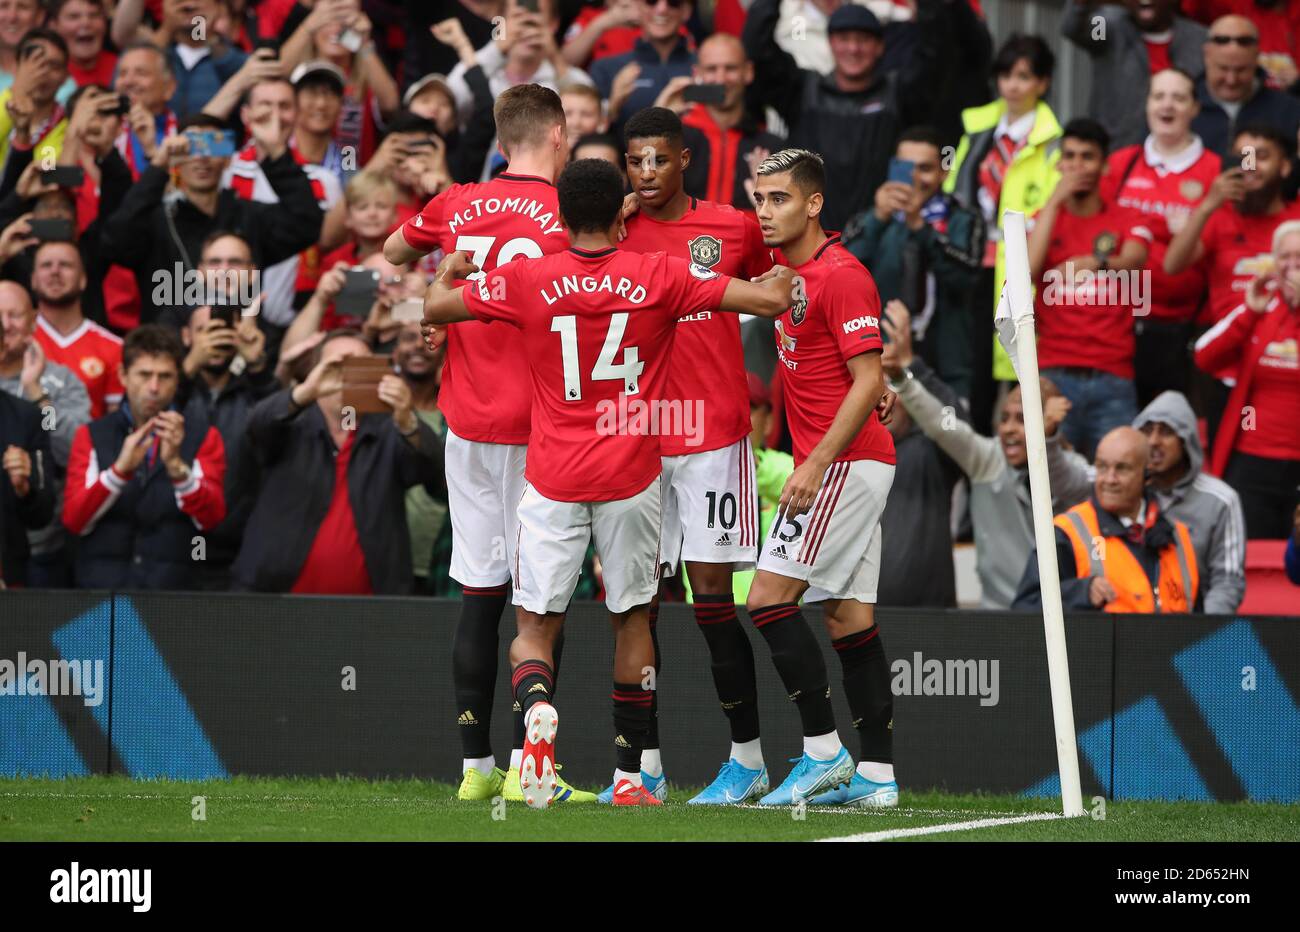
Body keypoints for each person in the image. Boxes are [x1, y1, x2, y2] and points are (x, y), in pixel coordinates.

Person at [420, 156, 795, 808]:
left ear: (562, 217)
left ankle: (536, 712)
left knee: (535, 624)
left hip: (553, 475)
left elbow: (434, 307)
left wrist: (451, 269)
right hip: (630, 477)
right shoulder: (660, 273)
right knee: (630, 620)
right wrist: (790, 265)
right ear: (620, 215)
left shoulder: (527, 278)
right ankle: (628, 776)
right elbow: (766, 298)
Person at [385, 84, 596, 807]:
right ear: (560, 135)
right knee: (539, 604)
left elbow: (390, 250)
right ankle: (529, 764)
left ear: (503, 138)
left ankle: (474, 768)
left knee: (479, 594)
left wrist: (440, 266)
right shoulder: (572, 212)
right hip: (545, 430)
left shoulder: (457, 201)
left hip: (468, 428)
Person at [616, 105, 774, 803]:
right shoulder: (611, 229)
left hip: (713, 433)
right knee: (640, 602)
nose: (647, 172)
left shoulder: (735, 226)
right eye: (634, 160)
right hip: (640, 438)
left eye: (659, 158)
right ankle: (643, 766)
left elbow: (783, 296)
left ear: (685, 160)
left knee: (712, 599)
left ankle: (747, 760)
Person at [741, 147, 895, 808]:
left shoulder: (843, 275)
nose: (766, 212)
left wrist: (814, 462)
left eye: (779, 199)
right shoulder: (785, 273)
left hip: (845, 463)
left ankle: (823, 754)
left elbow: (870, 379)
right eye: (759, 199)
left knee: (769, 600)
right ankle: (878, 779)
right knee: (848, 620)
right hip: (854, 459)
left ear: (813, 203)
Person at [231, 328, 441, 594]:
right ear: (316, 371)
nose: (348, 373)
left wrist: (408, 421)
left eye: (360, 364)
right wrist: (305, 392)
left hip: (371, 608)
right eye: (338, 364)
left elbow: (437, 475)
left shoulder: (388, 428)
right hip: (276, 600)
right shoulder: (290, 422)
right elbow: (255, 427)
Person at [100, 112, 324, 327]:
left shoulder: (249, 216)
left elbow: (305, 224)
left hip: (241, 346)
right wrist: (159, 166)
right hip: (169, 351)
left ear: (228, 159)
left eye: (213, 146)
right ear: (176, 158)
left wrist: (276, 153)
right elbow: (114, 242)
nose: (202, 157)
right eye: (191, 147)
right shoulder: (155, 220)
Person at [891, 368, 1090, 608]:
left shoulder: (1073, 468)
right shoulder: (987, 460)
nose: (1008, 429)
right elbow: (942, 424)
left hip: (1058, 618)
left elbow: (1063, 480)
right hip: (996, 616)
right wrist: (903, 381)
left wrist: (1046, 438)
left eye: (1023, 419)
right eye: (1004, 418)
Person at [743, 0, 950, 230]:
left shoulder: (901, 95)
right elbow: (758, 48)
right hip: (813, 243)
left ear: (880, 47)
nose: (853, 49)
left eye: (863, 40)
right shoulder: (801, 91)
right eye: (843, 39)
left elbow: (936, 53)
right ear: (830, 43)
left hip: (880, 238)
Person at [62, 324, 226, 589]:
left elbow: (211, 519)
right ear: (123, 376)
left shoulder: (204, 436)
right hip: (101, 595)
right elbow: (74, 520)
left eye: (165, 376)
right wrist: (118, 473)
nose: (154, 387)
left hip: (172, 595)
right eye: (144, 374)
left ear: (177, 381)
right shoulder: (91, 435)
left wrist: (176, 468)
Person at [1164, 123, 1300, 440]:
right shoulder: (1220, 217)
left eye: (1261, 157)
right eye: (1243, 158)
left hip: (1282, 372)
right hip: (1226, 371)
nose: (1249, 168)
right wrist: (1208, 204)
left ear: (1284, 166)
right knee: (1230, 466)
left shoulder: (1296, 222)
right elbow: (1173, 265)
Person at [1027, 117, 1153, 458]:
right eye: (1068, 156)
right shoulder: (1044, 218)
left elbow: (1135, 260)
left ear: (1104, 164)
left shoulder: (1129, 218)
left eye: (1087, 156)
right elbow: (1024, 275)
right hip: (1053, 373)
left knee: (1118, 474)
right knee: (1048, 479)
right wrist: (1054, 202)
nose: (1076, 165)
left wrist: (1096, 264)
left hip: (1112, 376)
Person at [945, 33, 1062, 386]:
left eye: (1024, 76)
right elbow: (957, 191)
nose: (1012, 86)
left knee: (1019, 365)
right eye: (1006, 75)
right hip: (973, 260)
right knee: (974, 365)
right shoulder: (977, 129)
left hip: (1022, 262)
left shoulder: (1053, 140)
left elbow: (1049, 205)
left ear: (1042, 83)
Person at [1102, 68, 1221, 405]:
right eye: (1159, 96)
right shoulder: (1120, 164)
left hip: (1188, 328)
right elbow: (1099, 232)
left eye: (1178, 98)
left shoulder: (1215, 171)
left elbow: (1213, 244)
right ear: (1147, 104)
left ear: (1195, 108)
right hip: (1121, 326)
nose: (1167, 106)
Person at [843, 125, 985, 399]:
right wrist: (877, 219)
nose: (915, 178)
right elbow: (840, 271)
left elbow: (965, 278)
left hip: (947, 365)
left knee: (952, 437)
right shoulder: (872, 218)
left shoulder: (965, 218)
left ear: (944, 172)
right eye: (906, 167)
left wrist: (920, 227)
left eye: (925, 168)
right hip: (880, 361)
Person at [179, 237, 278, 591]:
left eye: (225, 330)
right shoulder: (174, 388)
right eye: (206, 331)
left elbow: (278, 432)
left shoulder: (255, 390)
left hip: (243, 546)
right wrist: (189, 368)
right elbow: (149, 415)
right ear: (186, 336)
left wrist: (257, 368)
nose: (216, 339)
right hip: (172, 544)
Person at [1014, 427, 1200, 614]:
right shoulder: (1066, 532)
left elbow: (1200, 623)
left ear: (1147, 476)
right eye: (1102, 467)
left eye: (1122, 468)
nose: (1109, 479)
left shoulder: (1179, 538)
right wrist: (1081, 593)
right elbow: (1024, 611)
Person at [1193, 220, 1300, 539]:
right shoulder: (1259, 306)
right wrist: (1249, 312)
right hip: (1253, 459)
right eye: (1284, 257)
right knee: (1249, 558)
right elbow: (1204, 355)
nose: (1292, 266)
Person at [0, 279, 90, 588]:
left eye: (13, 315)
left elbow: (72, 449)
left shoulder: (60, 380)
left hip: (41, 545)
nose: (5, 324)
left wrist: (38, 394)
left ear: (34, 320)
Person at [877, 299, 967, 608]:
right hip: (857, 623)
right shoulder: (845, 453)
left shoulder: (931, 451)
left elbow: (955, 422)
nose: (883, 400)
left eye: (892, 388)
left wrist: (912, 366)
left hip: (932, 623)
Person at [654, 34, 783, 212]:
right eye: (711, 69)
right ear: (697, 73)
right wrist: (657, 121)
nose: (721, 79)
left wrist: (768, 207)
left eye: (730, 68)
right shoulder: (673, 138)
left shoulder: (772, 147)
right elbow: (641, 201)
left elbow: (793, 228)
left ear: (748, 72)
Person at [1062, 0, 1206, 150]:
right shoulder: (1107, 25)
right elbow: (1074, 29)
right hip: (1116, 150)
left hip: (1181, 153)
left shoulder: (1198, 39)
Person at [30, 240, 123, 418]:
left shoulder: (115, 348)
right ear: (33, 280)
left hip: (86, 444)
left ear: (83, 280)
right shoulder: (15, 340)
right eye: (46, 265)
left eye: (65, 265)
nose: (55, 271)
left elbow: (113, 427)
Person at [1190, 14, 1300, 160]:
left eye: (1241, 70)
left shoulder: (1288, 111)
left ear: (1257, 59)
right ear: (1206, 56)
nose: (1231, 80)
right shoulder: (1184, 107)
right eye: (1223, 69)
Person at [0, 309, 53, 587]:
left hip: (8, 574)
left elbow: (43, 514)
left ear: (2, 349)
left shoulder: (28, 416)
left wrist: (25, 488)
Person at [590, 0, 695, 134]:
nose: (662, 9)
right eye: (651, 2)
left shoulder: (707, 69)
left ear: (686, 11)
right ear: (638, 7)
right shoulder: (606, 68)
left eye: (673, 3)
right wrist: (612, 106)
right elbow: (590, 140)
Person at [159, 0, 249, 117]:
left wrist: (204, 31)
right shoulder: (162, 53)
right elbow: (143, 59)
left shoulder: (233, 59)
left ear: (218, 7)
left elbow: (241, 70)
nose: (189, 3)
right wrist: (168, 26)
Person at [0, 28, 71, 170]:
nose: (43, 72)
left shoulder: (66, 129)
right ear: (16, 67)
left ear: (65, 77)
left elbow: (47, 176)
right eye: (35, 63)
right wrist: (18, 90)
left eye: (53, 66)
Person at [50, 0, 116, 89]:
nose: (86, 23)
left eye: (94, 15)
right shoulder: (45, 73)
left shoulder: (122, 68)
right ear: (54, 26)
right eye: (74, 17)